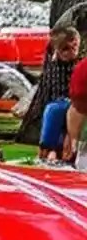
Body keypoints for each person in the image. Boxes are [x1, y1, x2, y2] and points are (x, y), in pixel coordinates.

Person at [38, 26, 81, 161]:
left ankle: (48, 149)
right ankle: (50, 150)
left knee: (54, 109)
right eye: (65, 49)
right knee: (52, 109)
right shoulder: (52, 65)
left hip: (74, 103)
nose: (71, 52)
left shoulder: (79, 65)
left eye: (74, 47)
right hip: (58, 101)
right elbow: (45, 89)